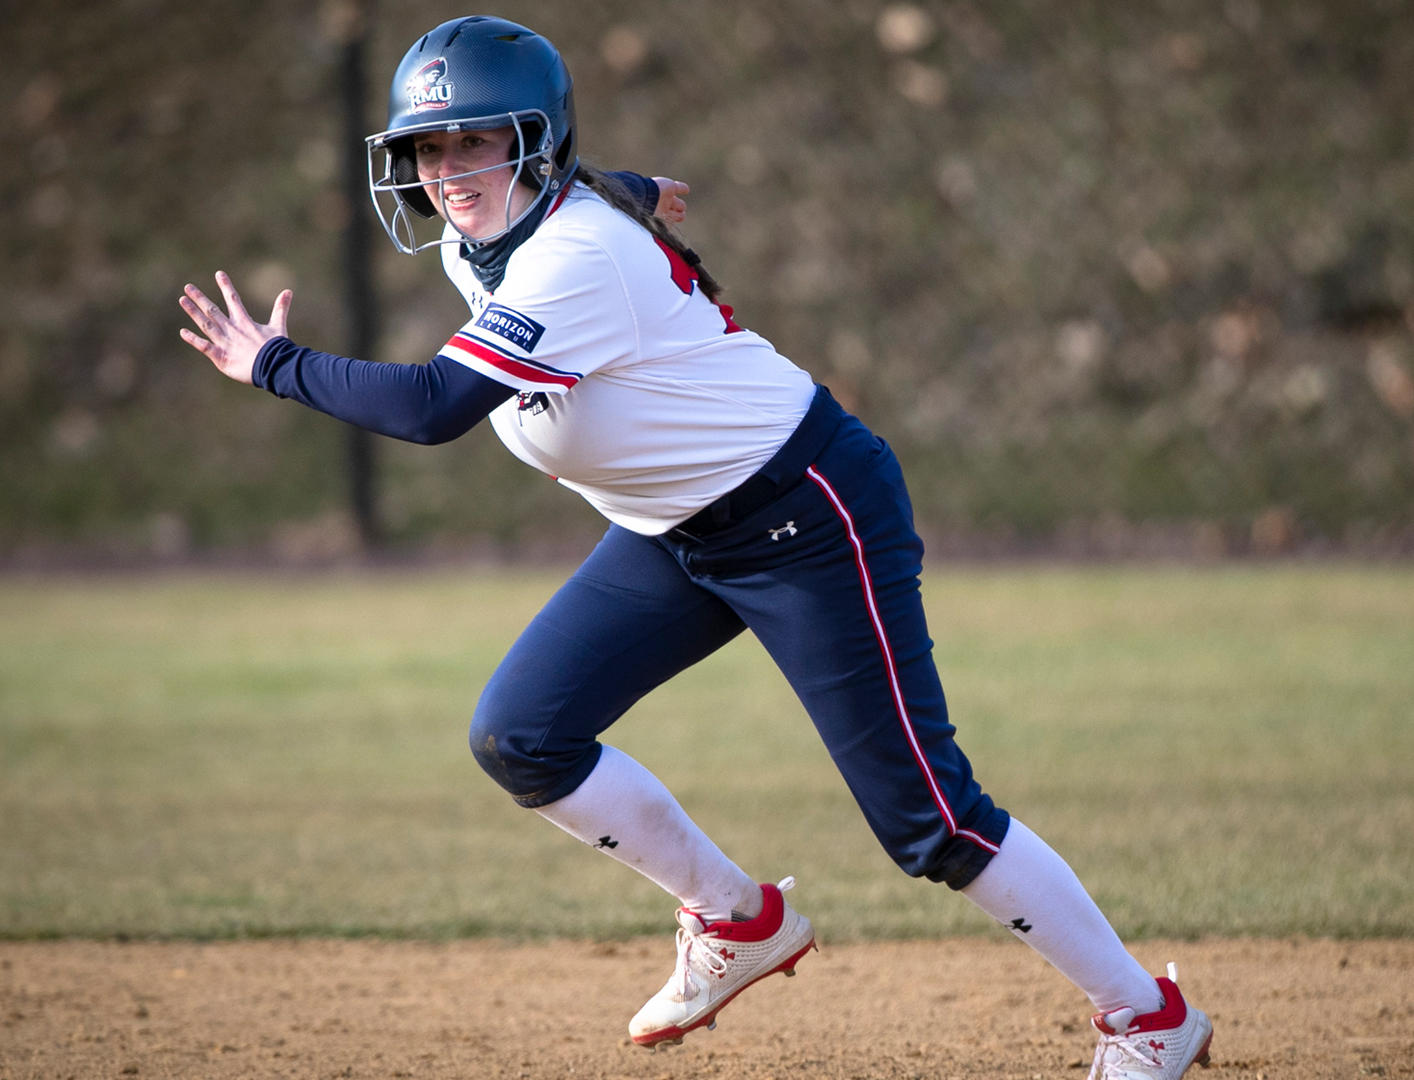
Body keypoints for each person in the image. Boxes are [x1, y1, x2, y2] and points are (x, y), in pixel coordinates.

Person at [177, 16, 1211, 1080]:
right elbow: (568, 213)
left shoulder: (579, 253)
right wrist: (619, 180)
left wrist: (277, 365)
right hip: (673, 531)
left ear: (537, 142)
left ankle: (1148, 1016)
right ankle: (737, 920)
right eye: (430, 149)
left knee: (930, 822)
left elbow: (439, 405)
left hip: (807, 514)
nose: (447, 173)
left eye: (476, 141)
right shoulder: (488, 234)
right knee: (521, 736)